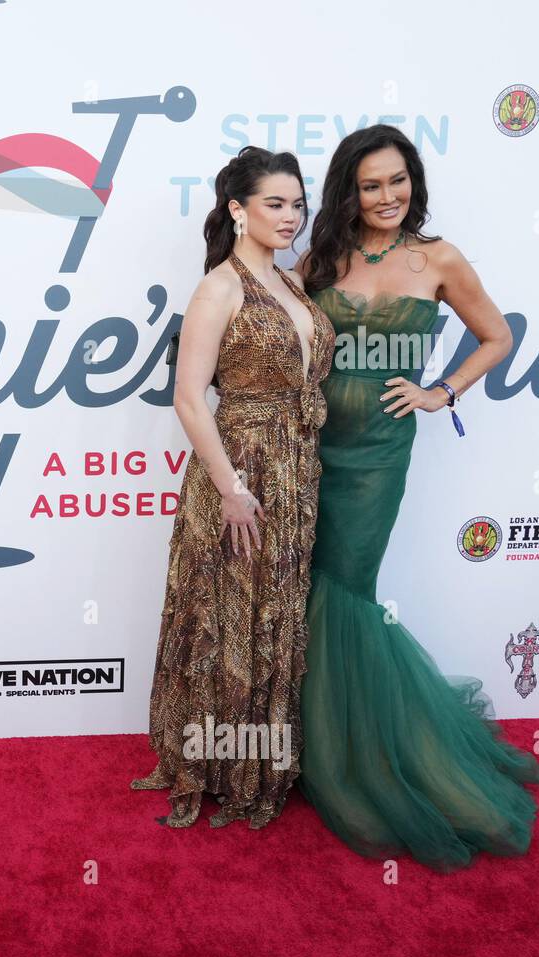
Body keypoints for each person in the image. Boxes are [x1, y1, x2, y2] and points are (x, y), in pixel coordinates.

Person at [297, 124, 539, 872]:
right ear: (350, 188)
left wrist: (441, 390)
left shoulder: (438, 259)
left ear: (415, 182)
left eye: (397, 181)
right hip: (304, 448)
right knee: (302, 586)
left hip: (377, 449)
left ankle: (360, 759)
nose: (386, 196)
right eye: (370, 184)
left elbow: (496, 336)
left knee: (345, 587)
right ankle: (315, 746)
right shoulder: (324, 258)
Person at [132, 146, 335, 828]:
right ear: (238, 210)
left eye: (297, 204)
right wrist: (229, 489)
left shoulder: (293, 282)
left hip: (297, 470)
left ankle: (264, 761)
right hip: (241, 471)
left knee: (274, 617)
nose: (290, 215)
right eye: (274, 203)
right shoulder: (219, 286)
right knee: (226, 618)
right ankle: (215, 763)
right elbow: (190, 397)